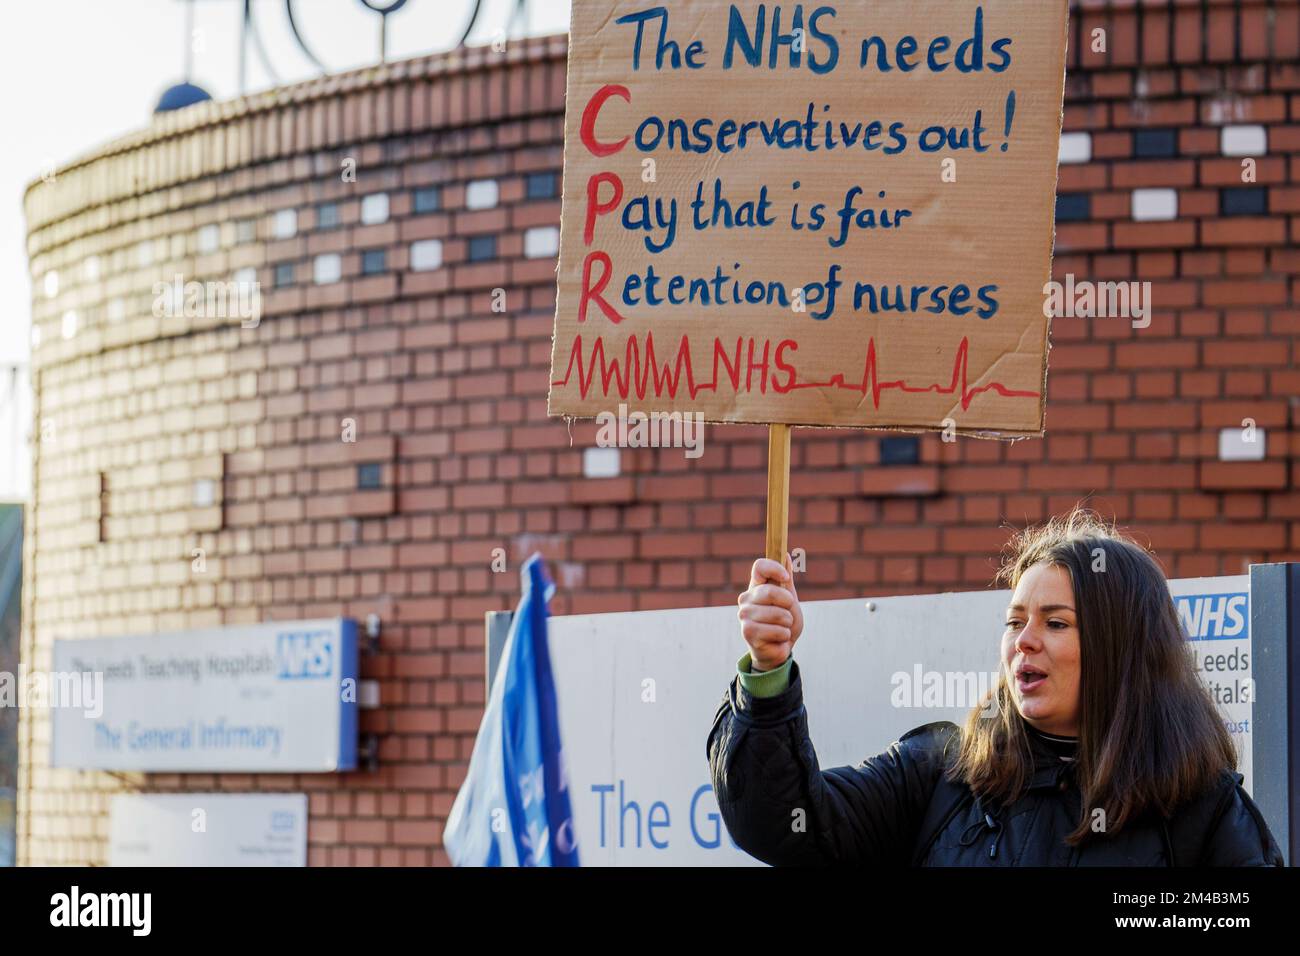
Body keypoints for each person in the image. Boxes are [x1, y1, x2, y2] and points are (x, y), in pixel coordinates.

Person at [707, 509, 1284, 866]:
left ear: (1123, 649)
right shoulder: (943, 772)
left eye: (1055, 623)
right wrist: (768, 672)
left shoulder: (1200, 810)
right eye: (1014, 621)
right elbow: (784, 825)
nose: (1023, 641)